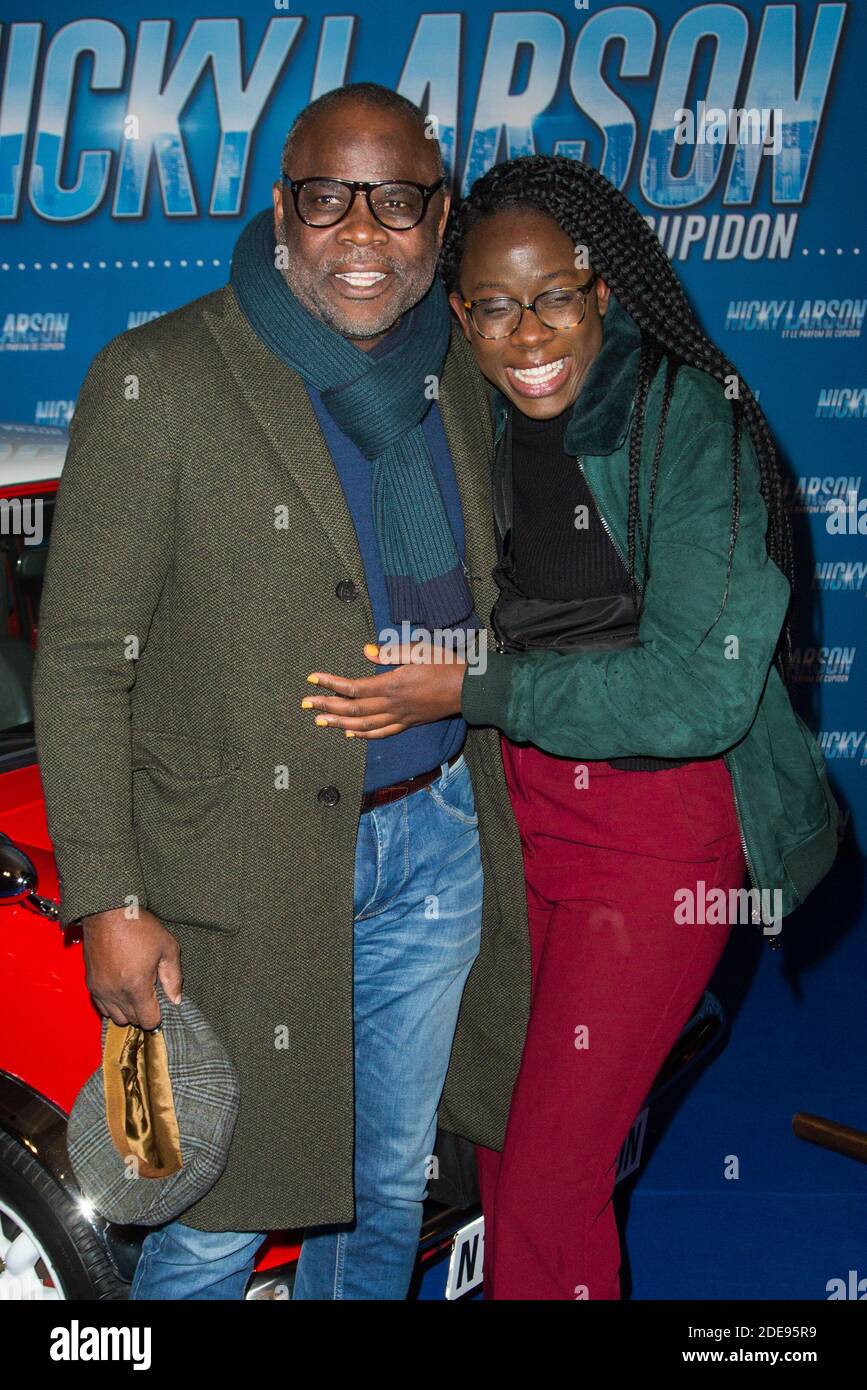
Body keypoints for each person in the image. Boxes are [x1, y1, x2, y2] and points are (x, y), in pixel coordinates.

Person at [300, 154, 838, 1300]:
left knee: (547, 1178)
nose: (528, 331)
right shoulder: (479, 420)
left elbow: (697, 694)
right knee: (507, 1139)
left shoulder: (688, 420)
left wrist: (470, 689)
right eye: (494, 304)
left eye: (556, 296)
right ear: (461, 314)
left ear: (605, 292)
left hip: (659, 837)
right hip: (520, 817)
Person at [31, 86, 533, 1301]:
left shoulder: (461, 373)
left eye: (398, 201)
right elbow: (85, 654)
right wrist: (106, 898)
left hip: (436, 850)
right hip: (237, 879)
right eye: (327, 199)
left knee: (386, 1182)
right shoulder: (159, 377)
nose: (362, 233)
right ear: (281, 210)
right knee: (213, 1214)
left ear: (440, 216)